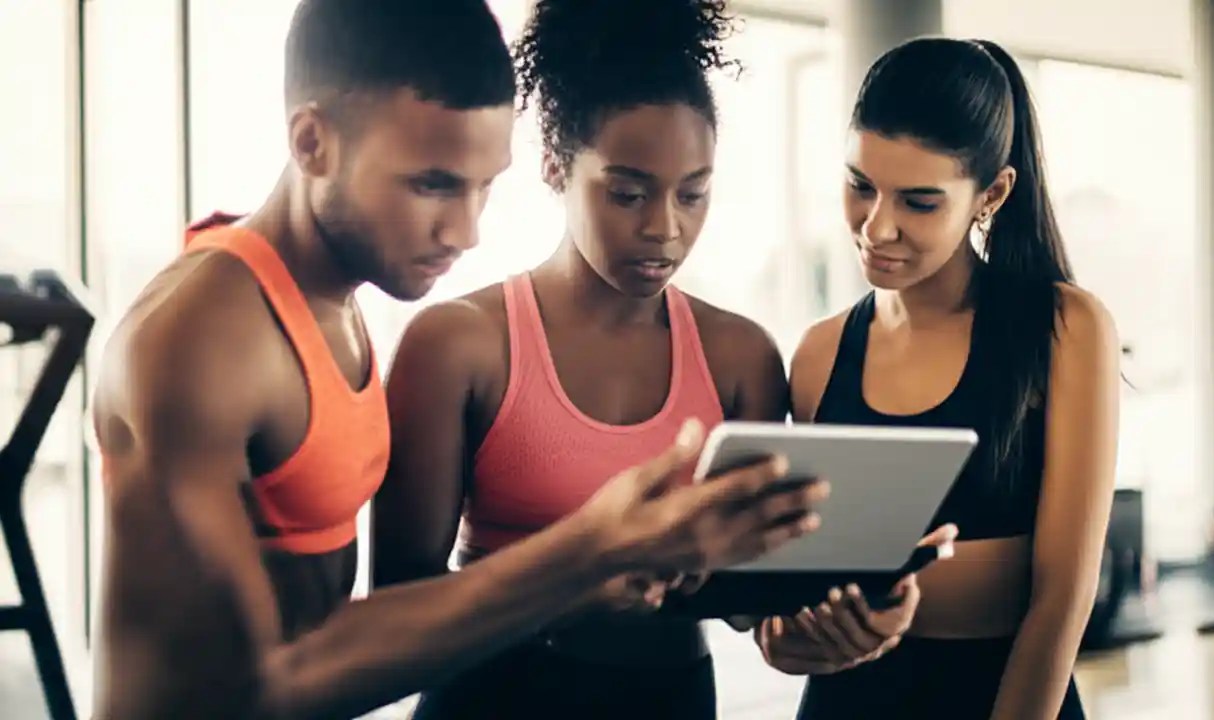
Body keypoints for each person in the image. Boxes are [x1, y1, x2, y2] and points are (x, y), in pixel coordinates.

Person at [88, 2, 834, 718]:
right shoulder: (203, 340)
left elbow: (349, 629)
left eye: (483, 186)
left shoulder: (331, 303)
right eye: (433, 185)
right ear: (312, 143)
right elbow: (250, 687)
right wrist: (590, 551)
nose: (467, 231)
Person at [372, 2, 946, 718]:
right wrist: (587, 573)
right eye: (627, 193)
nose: (664, 228)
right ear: (554, 164)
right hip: (493, 699)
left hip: (671, 699)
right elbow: (395, 614)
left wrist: (839, 629)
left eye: (693, 193)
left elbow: (753, 609)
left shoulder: (740, 356)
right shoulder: (457, 344)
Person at [766, 38, 1120, 719]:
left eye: (919, 202)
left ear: (991, 194)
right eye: (860, 185)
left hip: (1005, 695)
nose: (877, 227)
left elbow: (1062, 601)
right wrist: (784, 637)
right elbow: (807, 584)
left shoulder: (1066, 329)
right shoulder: (818, 354)